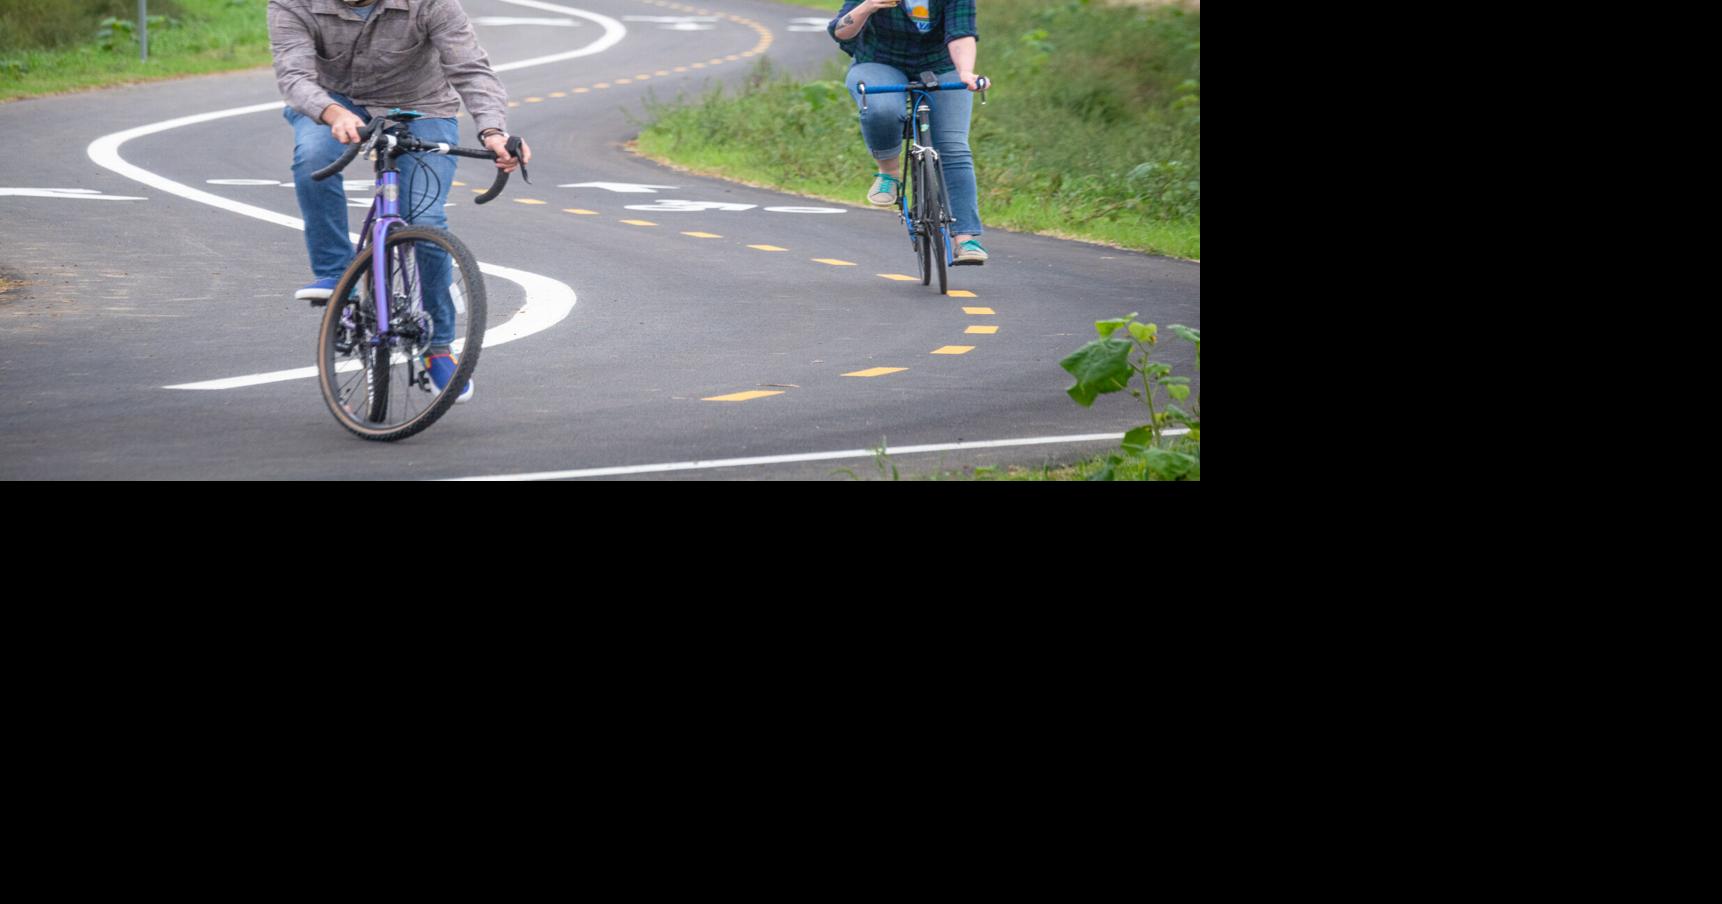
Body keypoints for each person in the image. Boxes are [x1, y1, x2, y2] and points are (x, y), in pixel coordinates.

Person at [267, 0, 531, 402]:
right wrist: (333, 112)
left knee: (423, 219)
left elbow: (470, 69)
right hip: (332, 104)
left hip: (419, 107)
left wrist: (493, 131)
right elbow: (294, 75)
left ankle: (438, 346)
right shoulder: (294, 3)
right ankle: (337, 276)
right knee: (313, 159)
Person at [829, 0, 987, 264]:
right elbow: (840, 31)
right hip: (880, 62)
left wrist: (966, 73)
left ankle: (965, 239)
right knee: (881, 110)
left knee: (953, 147)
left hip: (942, 65)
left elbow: (961, 32)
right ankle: (888, 172)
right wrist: (868, 6)